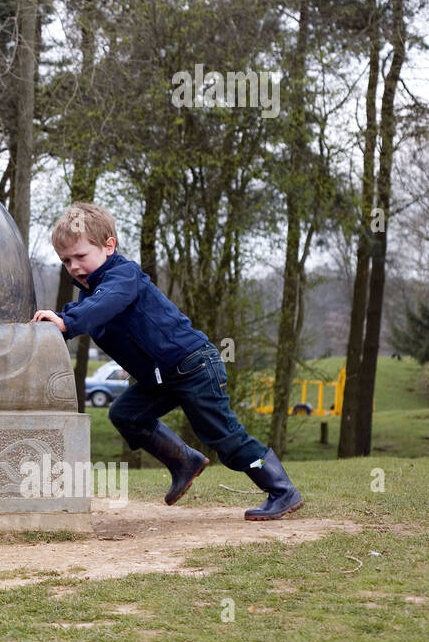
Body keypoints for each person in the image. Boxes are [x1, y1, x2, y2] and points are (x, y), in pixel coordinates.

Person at [33, 201, 303, 520]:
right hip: (161, 378)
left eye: (81, 256)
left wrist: (68, 321)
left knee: (225, 438)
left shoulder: (124, 276)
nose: (74, 266)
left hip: (194, 366)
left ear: (109, 246)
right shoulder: (89, 297)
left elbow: (101, 307)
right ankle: (184, 462)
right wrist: (48, 328)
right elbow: (85, 312)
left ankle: (282, 490)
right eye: (66, 261)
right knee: (127, 414)